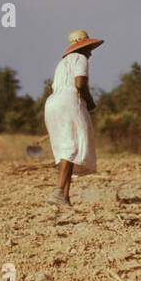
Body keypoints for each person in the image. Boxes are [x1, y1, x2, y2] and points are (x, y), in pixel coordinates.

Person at [44, 29, 102, 206]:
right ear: (83, 47)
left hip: (52, 103)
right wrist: (90, 102)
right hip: (69, 102)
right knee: (71, 147)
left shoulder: (61, 64)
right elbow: (80, 84)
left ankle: (65, 197)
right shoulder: (80, 58)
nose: (90, 52)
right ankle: (59, 191)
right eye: (89, 48)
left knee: (67, 148)